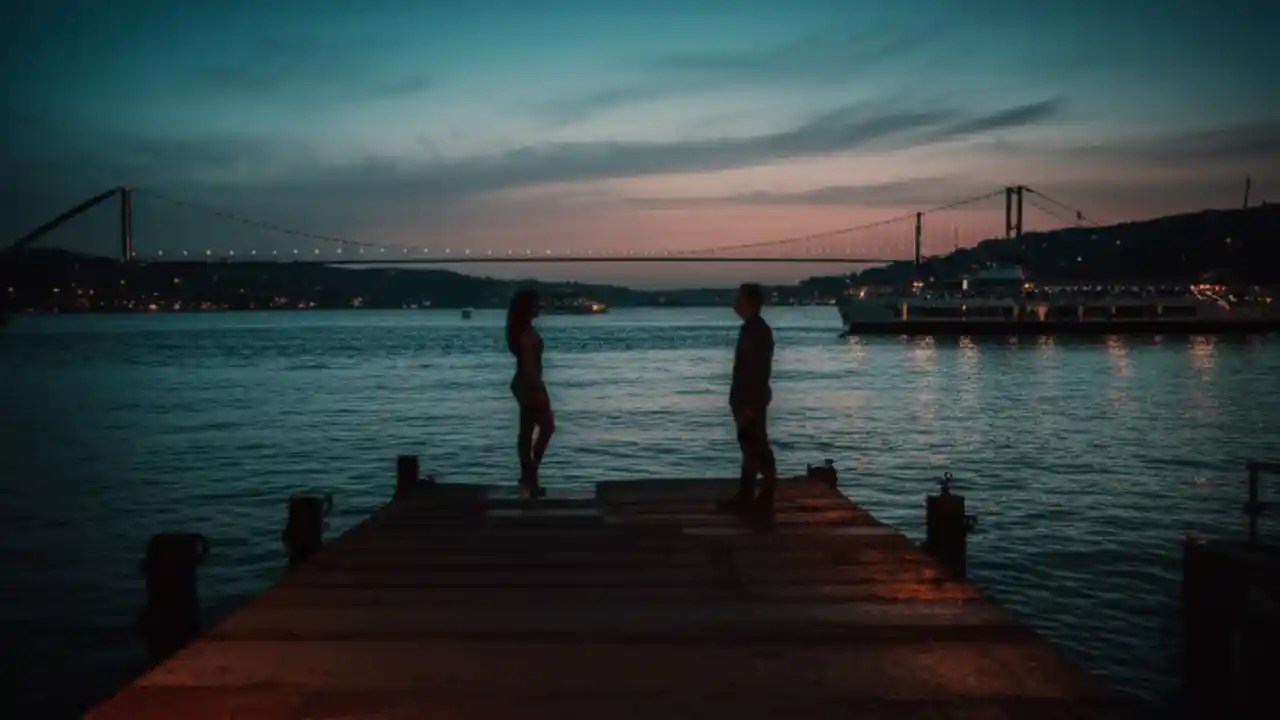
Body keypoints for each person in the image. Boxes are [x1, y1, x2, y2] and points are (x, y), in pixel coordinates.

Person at [718, 282, 778, 524]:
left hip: (750, 397)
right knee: (750, 445)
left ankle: (762, 495)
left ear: (749, 302)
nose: (735, 303)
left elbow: (754, 370)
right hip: (749, 396)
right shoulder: (754, 329)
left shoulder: (756, 331)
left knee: (756, 445)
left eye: (738, 298)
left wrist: (749, 404)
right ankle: (750, 495)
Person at [506, 288, 554, 499]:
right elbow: (528, 363)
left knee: (527, 432)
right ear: (527, 307)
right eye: (536, 304)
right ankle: (531, 474)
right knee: (547, 427)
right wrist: (536, 386)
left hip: (523, 383)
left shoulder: (520, 329)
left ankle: (529, 477)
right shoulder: (525, 333)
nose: (540, 307)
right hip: (530, 383)